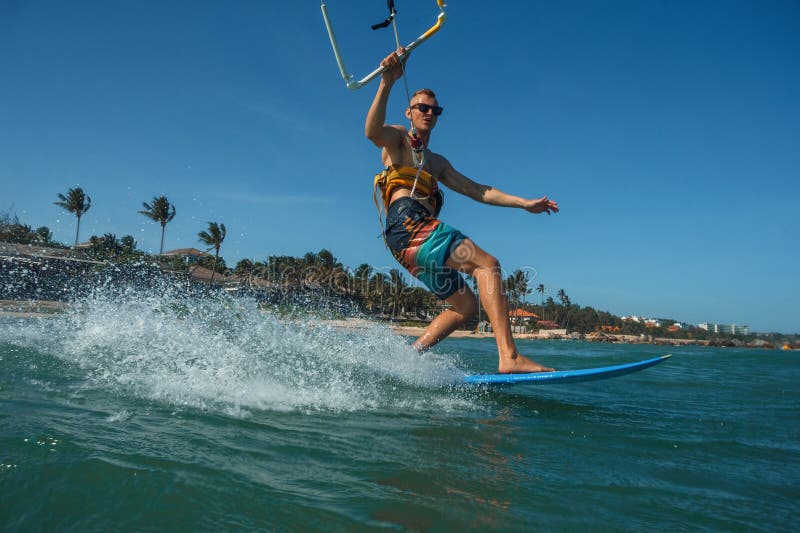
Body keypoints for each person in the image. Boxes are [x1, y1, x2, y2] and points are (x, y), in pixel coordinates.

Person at [366, 48, 558, 374]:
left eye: (434, 109)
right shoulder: (397, 140)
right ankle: (509, 357)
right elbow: (372, 131)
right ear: (410, 112)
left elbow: (479, 191)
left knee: (465, 306)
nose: (429, 113)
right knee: (488, 265)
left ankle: (408, 361)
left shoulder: (438, 163)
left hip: (405, 242)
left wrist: (524, 203)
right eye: (422, 108)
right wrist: (387, 82)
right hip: (408, 221)